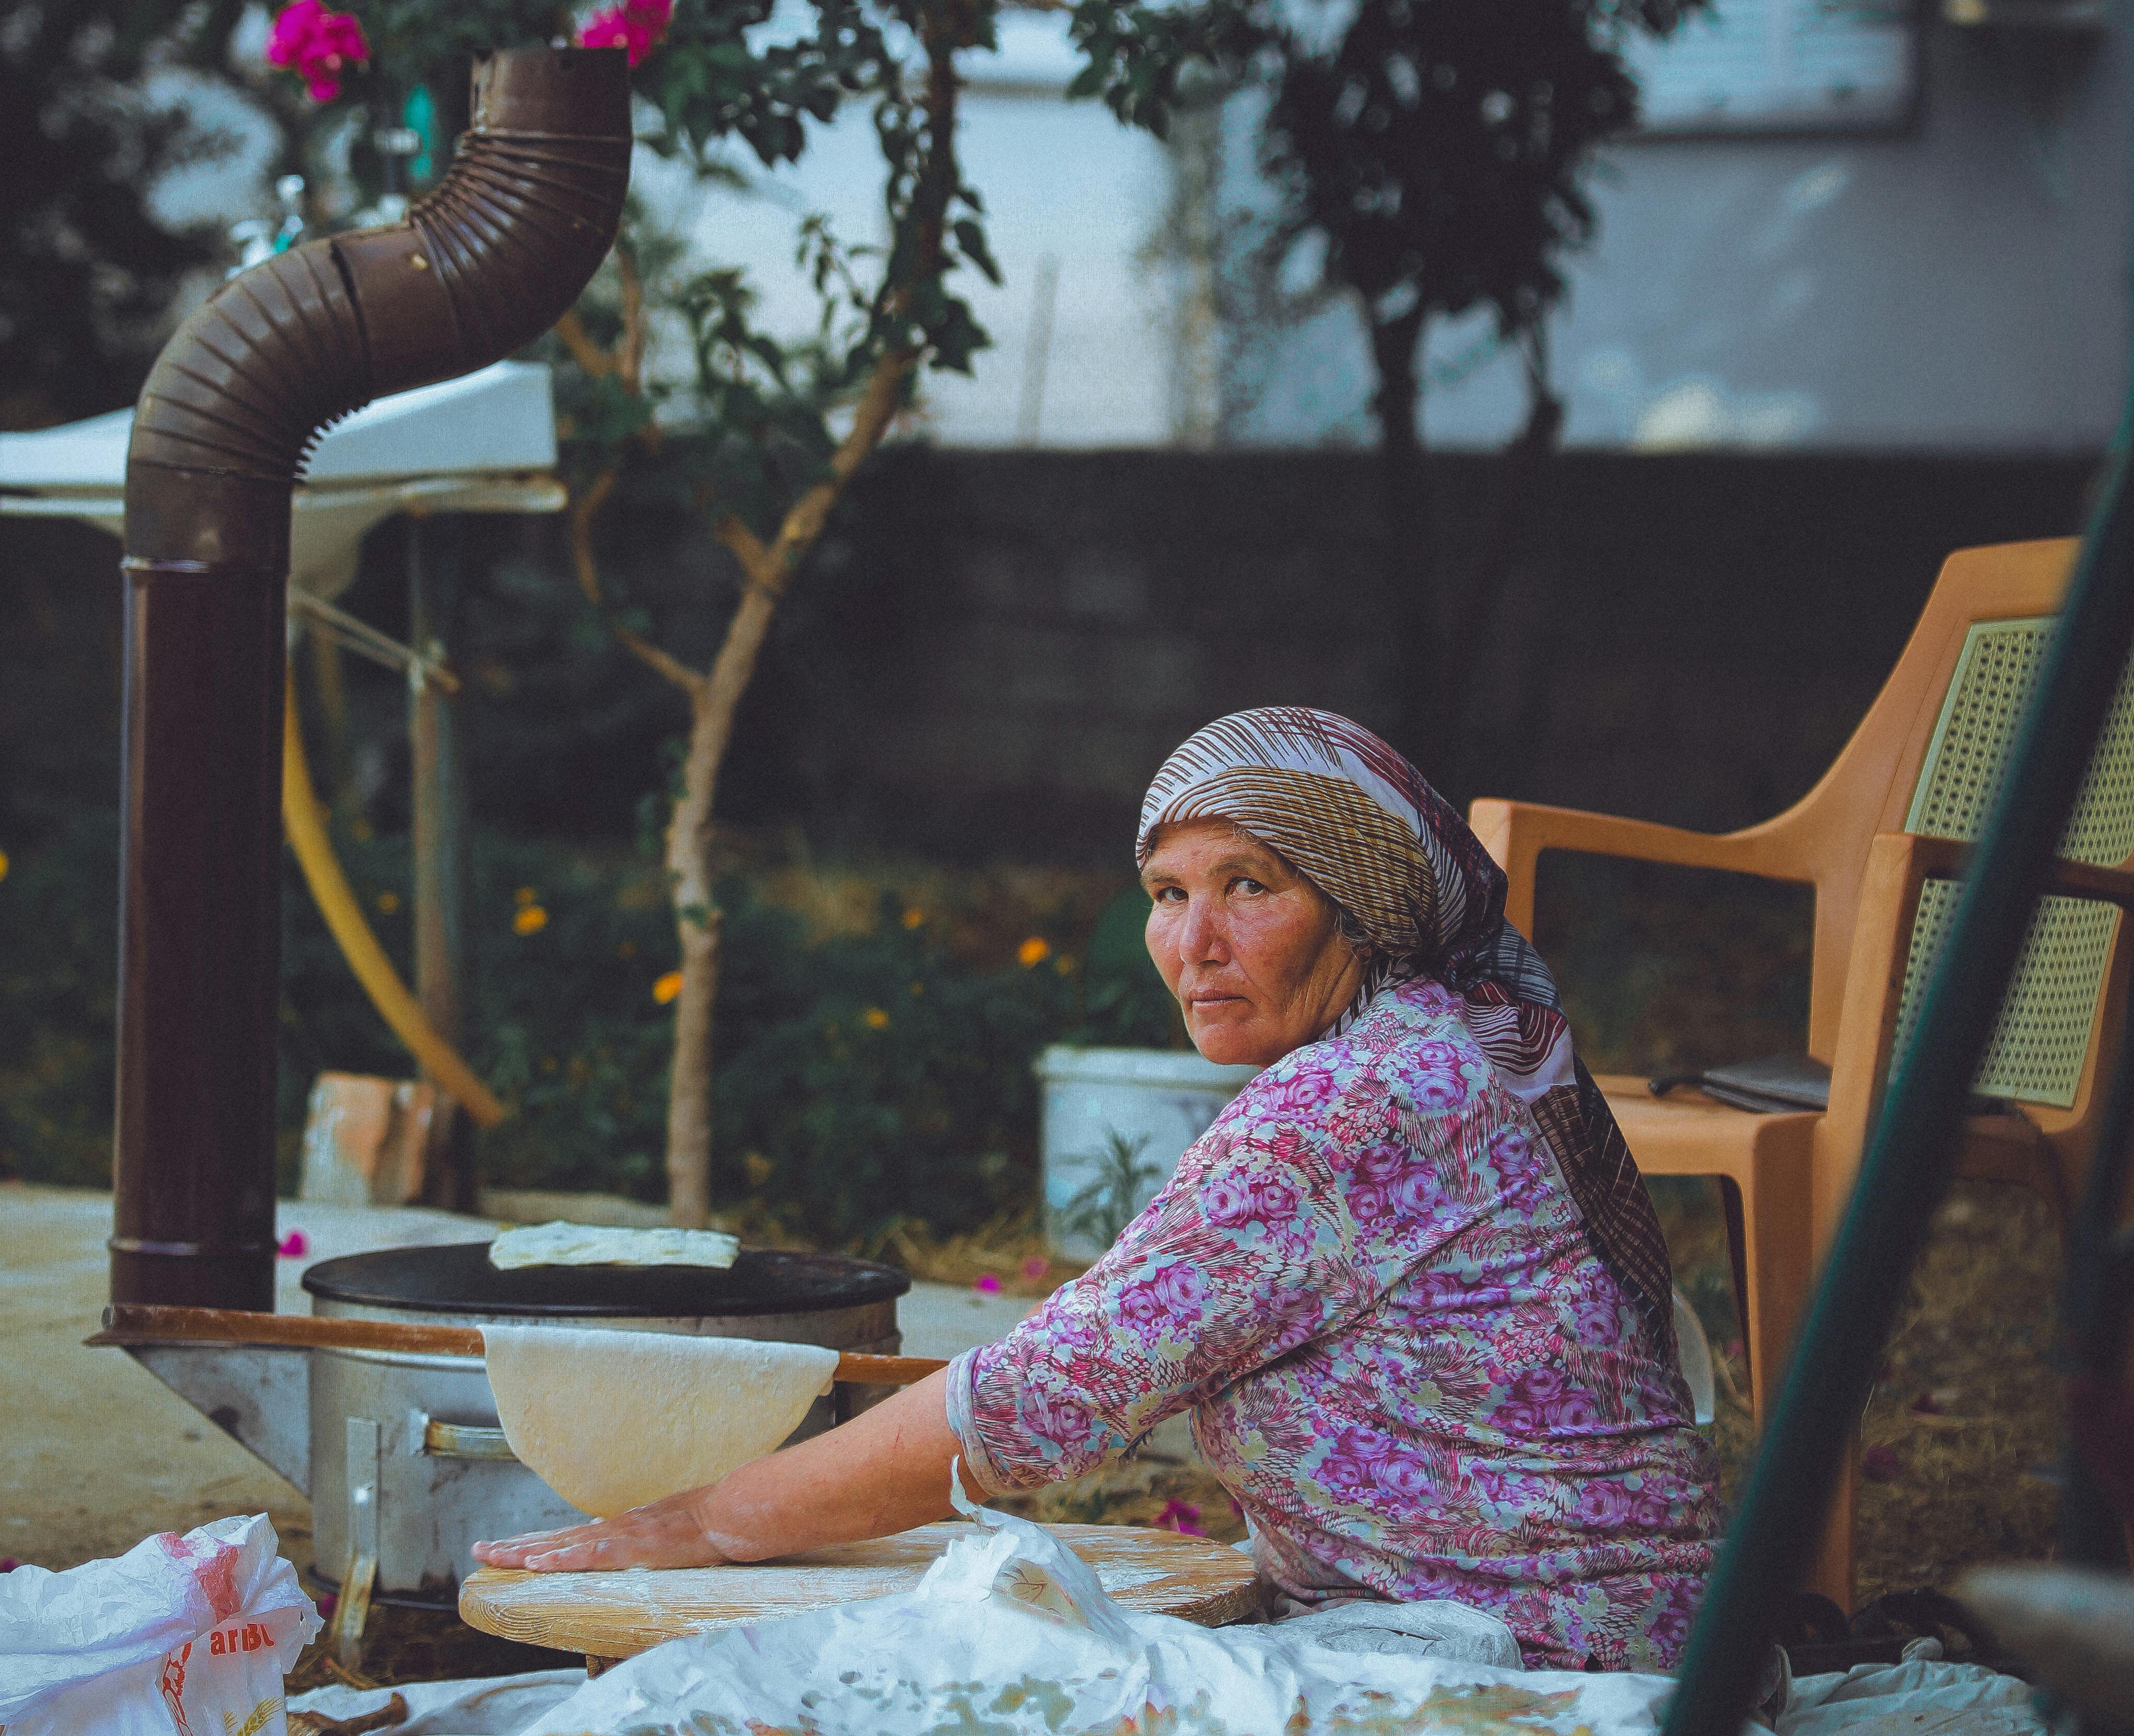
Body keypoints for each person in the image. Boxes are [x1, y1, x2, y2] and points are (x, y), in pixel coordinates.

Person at [474, 707, 1724, 1671]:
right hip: (1614, 1635)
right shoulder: (1458, 1040)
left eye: (1250, 886)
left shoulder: (1354, 1106)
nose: (1193, 943)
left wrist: (693, 1526)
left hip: (1531, 1666)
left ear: (1363, 904)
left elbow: (1035, 1399)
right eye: (1168, 895)